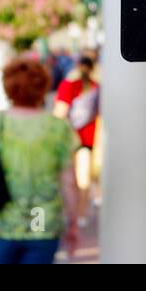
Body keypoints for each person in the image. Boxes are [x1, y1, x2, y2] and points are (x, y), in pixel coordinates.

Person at [0, 58, 78, 264]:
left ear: (8, 87)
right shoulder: (58, 128)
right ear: (43, 87)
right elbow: (68, 183)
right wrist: (73, 223)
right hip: (42, 224)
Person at [52, 54, 98, 226]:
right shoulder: (96, 87)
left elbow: (60, 112)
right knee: (83, 178)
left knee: (68, 179)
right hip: (88, 138)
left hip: (69, 139)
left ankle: (68, 214)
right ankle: (81, 215)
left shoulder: (68, 86)